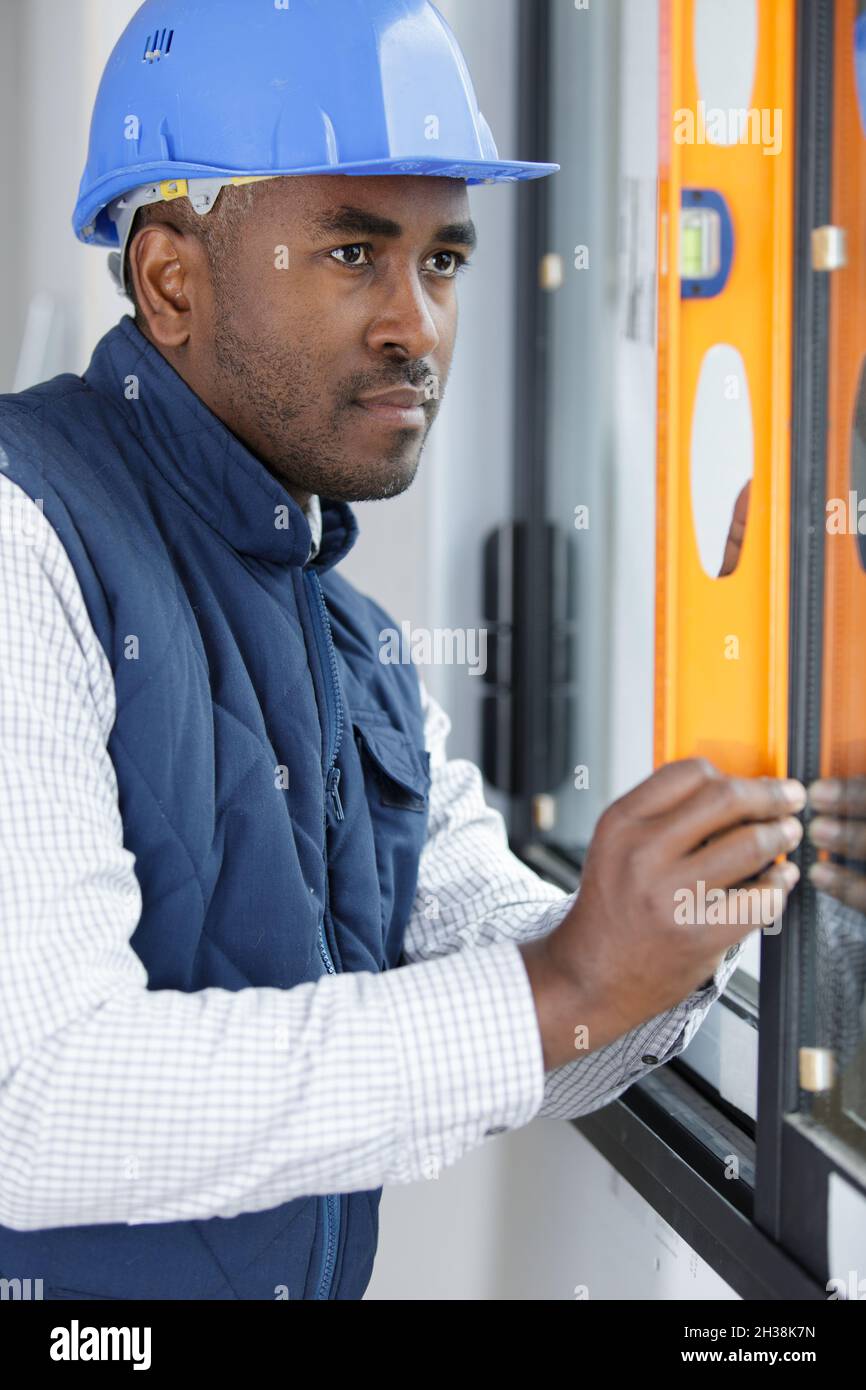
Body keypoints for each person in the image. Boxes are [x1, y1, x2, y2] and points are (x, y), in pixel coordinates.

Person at [0, 0, 806, 1300]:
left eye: (441, 263)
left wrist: (696, 911)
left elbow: (532, 983)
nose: (415, 327)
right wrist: (560, 983)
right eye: (349, 253)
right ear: (169, 280)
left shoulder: (349, 637)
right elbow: (29, 1104)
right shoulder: (22, 538)